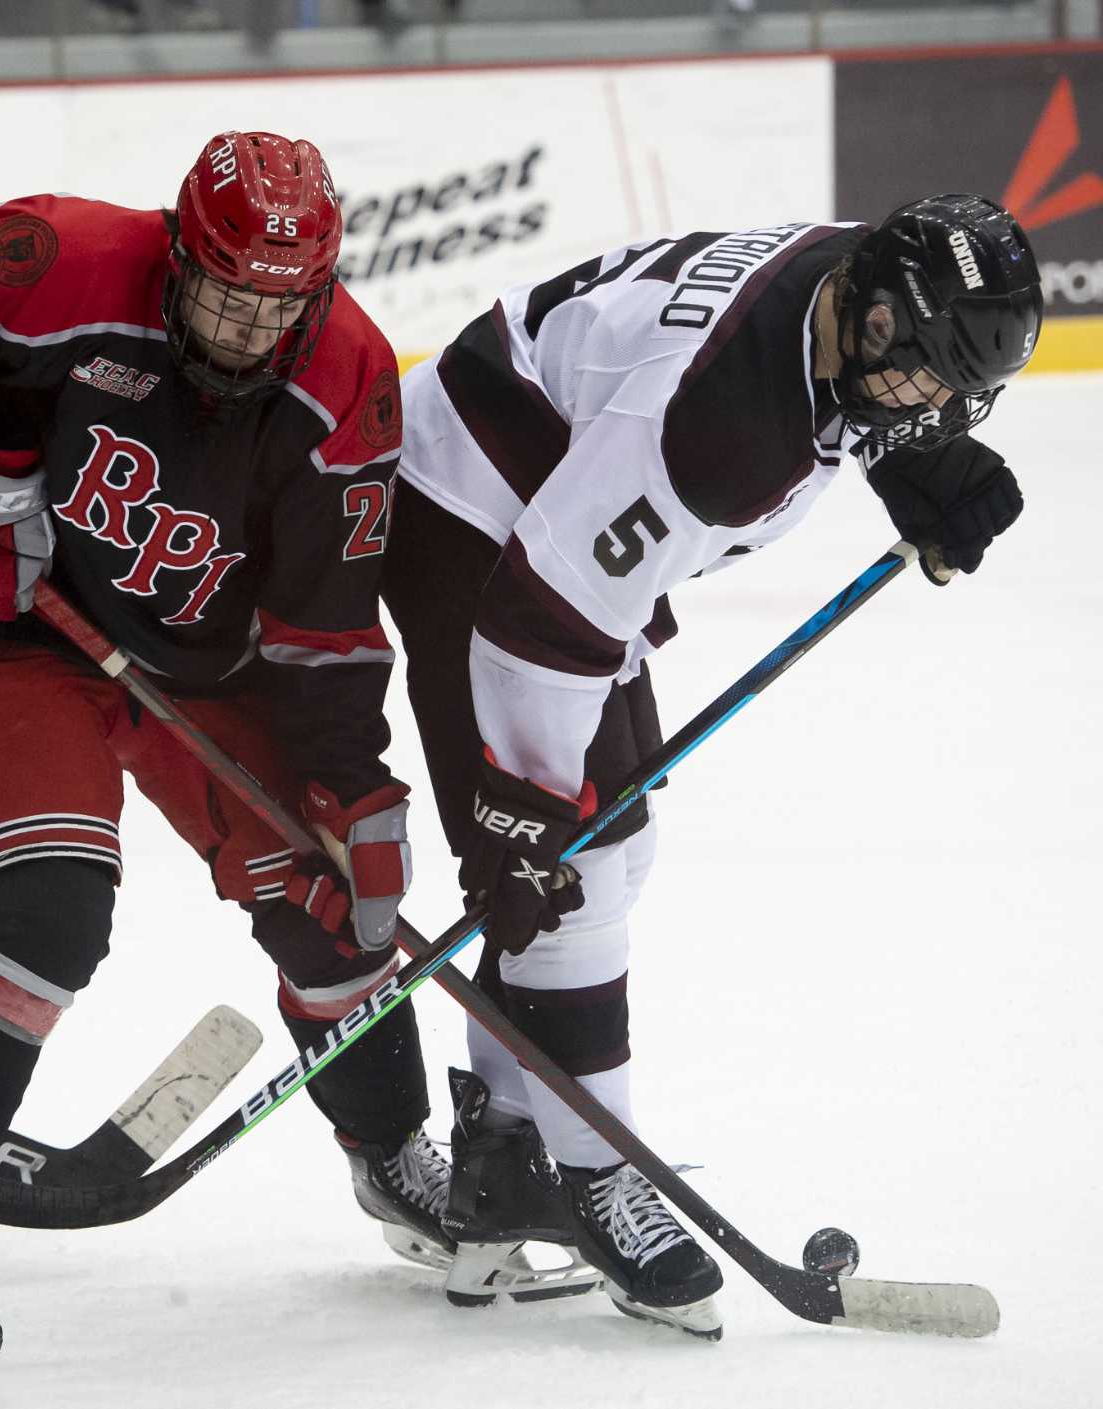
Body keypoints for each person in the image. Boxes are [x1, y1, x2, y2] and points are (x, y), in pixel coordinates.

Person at [0, 128, 585, 1404]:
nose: (240, 325)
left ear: (319, 290)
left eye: (276, 303)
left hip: (208, 672)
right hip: (19, 631)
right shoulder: (52, 259)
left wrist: (354, 787)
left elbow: (328, 627)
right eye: (221, 290)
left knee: (340, 909)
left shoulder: (347, 382)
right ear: (175, 255)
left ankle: (394, 1162)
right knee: (41, 919)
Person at [383, 195, 1038, 1338]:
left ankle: (502, 1153)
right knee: (576, 865)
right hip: (474, 515)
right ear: (875, 323)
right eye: (923, 377)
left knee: (604, 866)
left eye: (949, 390)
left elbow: (836, 396)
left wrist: (905, 456)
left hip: (553, 498)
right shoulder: (714, 429)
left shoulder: (852, 282)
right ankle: (595, 1175)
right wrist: (522, 807)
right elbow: (537, 621)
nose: (932, 405)